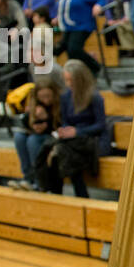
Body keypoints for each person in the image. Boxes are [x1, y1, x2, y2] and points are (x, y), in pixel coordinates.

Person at [37, 60, 109, 198]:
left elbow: (101, 125)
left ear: (79, 79)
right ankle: (46, 187)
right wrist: (64, 130)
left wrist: (78, 132)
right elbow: (65, 121)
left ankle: (61, 193)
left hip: (92, 138)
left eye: (71, 80)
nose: (68, 83)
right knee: (47, 149)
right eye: (66, 80)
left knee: (63, 152)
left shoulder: (94, 97)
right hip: (72, 138)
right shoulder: (66, 96)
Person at [53, 0, 107, 82]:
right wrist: (58, 17)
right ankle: (79, 74)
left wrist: (97, 6)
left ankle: (95, 67)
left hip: (83, 25)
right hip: (68, 27)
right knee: (63, 49)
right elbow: (64, 8)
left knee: (74, 49)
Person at [11, 75, 64, 191]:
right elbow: (25, 123)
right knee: (19, 137)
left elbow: (61, 125)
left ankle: (39, 181)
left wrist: (47, 120)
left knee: (33, 140)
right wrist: (32, 120)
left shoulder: (61, 103)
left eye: (48, 96)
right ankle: (27, 177)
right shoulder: (34, 103)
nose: (46, 100)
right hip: (39, 133)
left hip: (54, 136)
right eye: (42, 97)